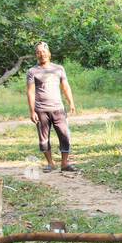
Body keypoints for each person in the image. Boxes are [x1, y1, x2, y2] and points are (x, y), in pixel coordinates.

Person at [26, 42, 77, 172]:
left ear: (49, 53)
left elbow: (65, 86)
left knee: (65, 135)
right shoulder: (32, 71)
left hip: (58, 109)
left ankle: (65, 163)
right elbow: (31, 92)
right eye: (38, 52)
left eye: (43, 51)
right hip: (41, 110)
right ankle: (50, 163)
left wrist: (71, 102)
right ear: (36, 55)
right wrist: (32, 111)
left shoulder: (58, 69)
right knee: (43, 138)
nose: (41, 54)